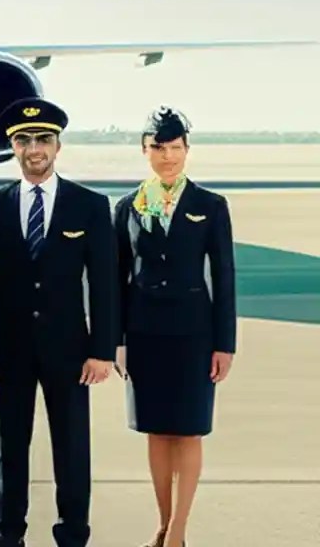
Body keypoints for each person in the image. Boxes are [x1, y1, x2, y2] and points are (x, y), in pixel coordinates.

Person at [0, 97, 117, 547]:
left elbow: (105, 283)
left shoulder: (89, 206)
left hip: (70, 349)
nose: (34, 148)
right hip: (12, 350)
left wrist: (102, 350)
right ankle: (7, 532)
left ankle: (74, 533)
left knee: (72, 448)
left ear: (58, 145)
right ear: (11, 147)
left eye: (42, 139)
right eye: (23, 140)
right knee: (10, 447)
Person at [113, 106, 236, 547]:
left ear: (187, 151)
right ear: (145, 151)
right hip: (144, 334)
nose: (168, 157)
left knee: (188, 429)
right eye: (159, 148)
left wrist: (225, 344)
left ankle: (179, 529)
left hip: (193, 335)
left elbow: (224, 277)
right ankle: (164, 524)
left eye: (176, 148)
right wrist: (117, 340)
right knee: (157, 430)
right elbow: (116, 280)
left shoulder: (209, 206)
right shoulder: (128, 207)